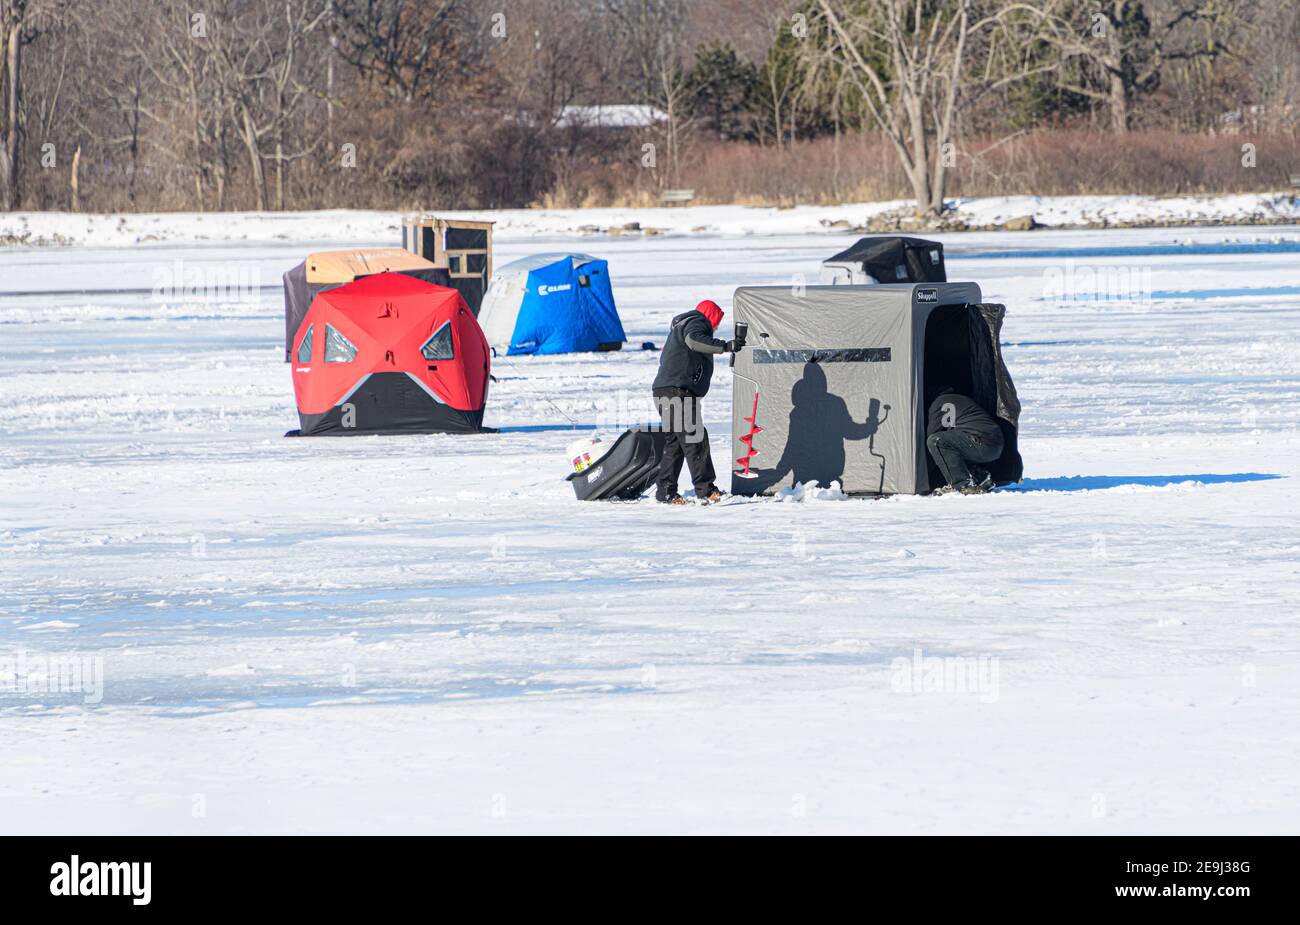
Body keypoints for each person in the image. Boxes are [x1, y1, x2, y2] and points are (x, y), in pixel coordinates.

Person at [651, 299, 744, 504]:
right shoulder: (696, 322)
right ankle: (706, 490)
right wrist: (725, 346)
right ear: (710, 316)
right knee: (695, 439)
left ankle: (665, 491)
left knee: (675, 443)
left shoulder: (680, 326)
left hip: (663, 391)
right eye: (716, 323)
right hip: (678, 391)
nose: (716, 327)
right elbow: (694, 340)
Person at [926, 387, 1004, 494]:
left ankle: (962, 485)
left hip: (981, 443)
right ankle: (980, 477)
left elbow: (932, 434)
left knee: (936, 441)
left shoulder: (939, 403)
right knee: (954, 445)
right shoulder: (961, 399)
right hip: (995, 446)